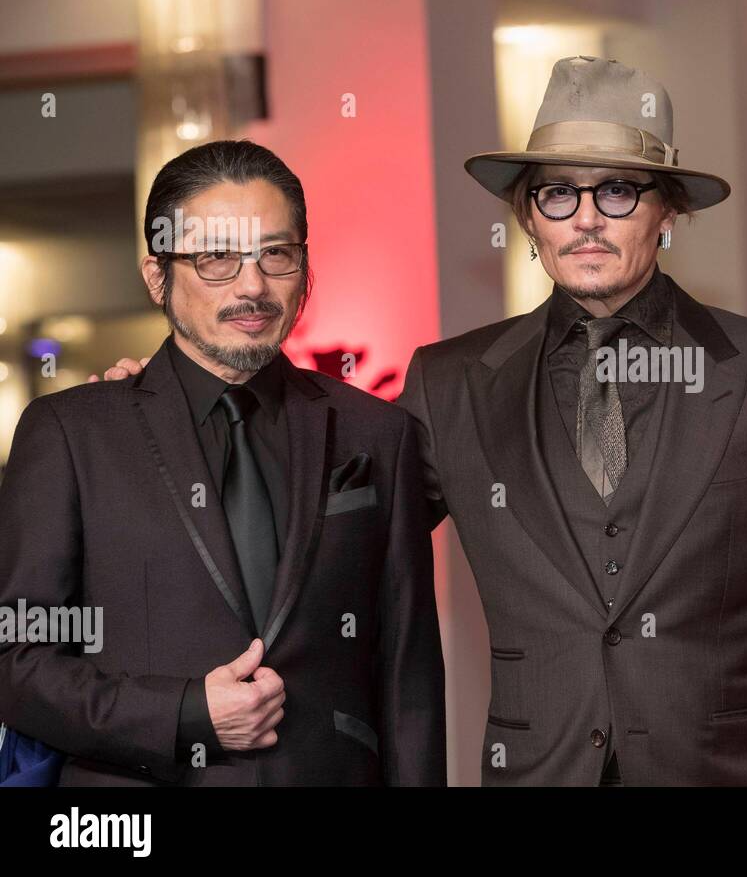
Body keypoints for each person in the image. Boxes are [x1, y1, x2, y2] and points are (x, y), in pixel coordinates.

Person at [99, 57, 747, 786]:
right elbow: (329, 511)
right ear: (528, 215)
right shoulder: (449, 383)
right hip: (539, 770)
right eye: (556, 193)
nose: (586, 219)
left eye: (617, 190)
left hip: (728, 771)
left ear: (666, 213)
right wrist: (193, 400)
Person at [0, 141, 445, 786]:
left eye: (277, 254)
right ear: (158, 276)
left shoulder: (377, 432)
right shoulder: (71, 432)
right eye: (217, 257)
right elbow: (17, 661)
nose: (253, 286)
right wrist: (183, 713)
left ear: (306, 268)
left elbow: (408, 676)